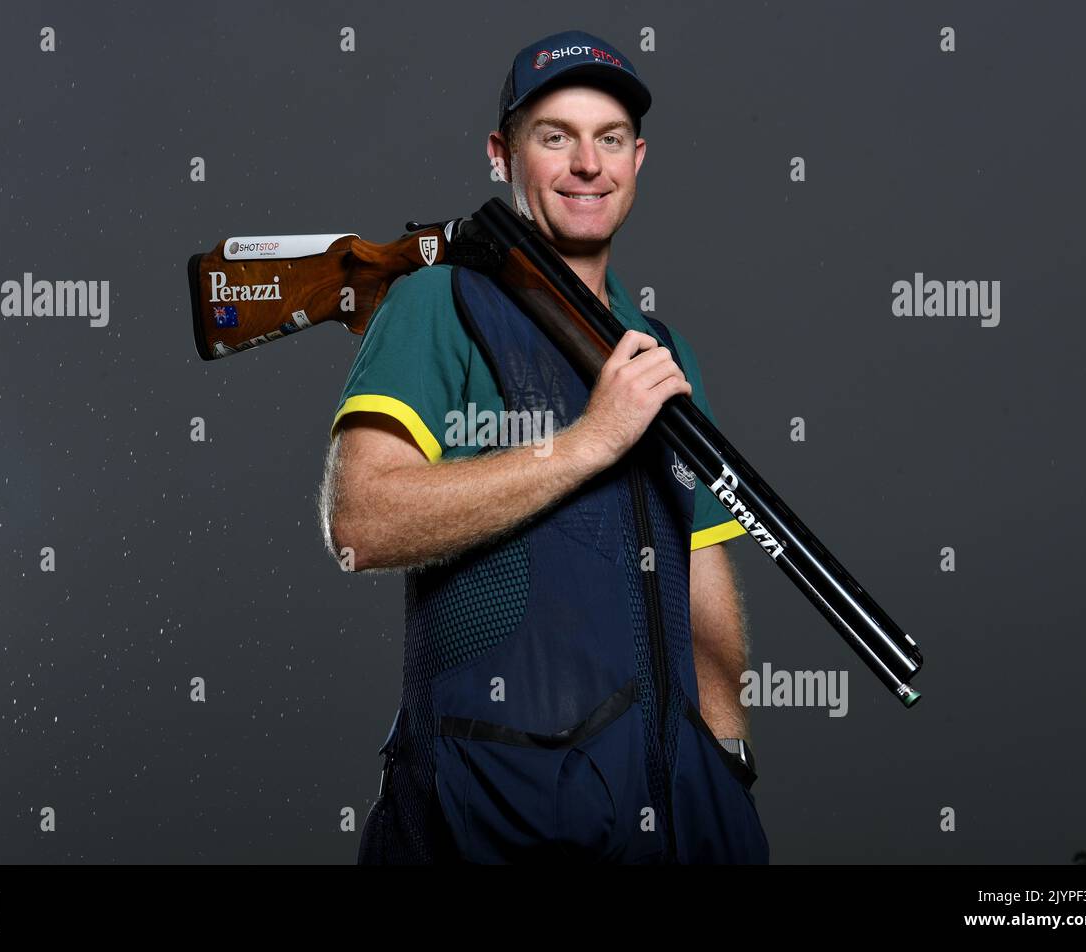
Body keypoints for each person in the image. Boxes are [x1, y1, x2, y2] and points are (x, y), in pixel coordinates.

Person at [319, 29, 769, 864]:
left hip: (676, 817)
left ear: (639, 159)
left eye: (609, 140)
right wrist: (589, 442)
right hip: (493, 812)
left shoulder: (661, 349)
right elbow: (361, 522)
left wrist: (726, 759)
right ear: (503, 154)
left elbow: (702, 561)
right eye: (554, 136)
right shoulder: (437, 301)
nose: (586, 164)